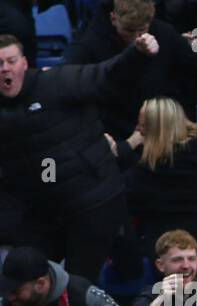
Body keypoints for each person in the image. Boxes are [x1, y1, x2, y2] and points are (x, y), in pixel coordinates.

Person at [0, 29, 159, 279]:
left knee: (78, 284)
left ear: (24, 63)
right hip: (42, 212)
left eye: (10, 61)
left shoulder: (56, 82)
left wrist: (136, 54)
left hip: (93, 201)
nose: (5, 69)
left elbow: (105, 75)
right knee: (23, 279)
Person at [117, 97, 197, 282]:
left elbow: (120, 187)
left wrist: (127, 146)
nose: (138, 131)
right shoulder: (193, 149)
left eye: (143, 126)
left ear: (158, 130)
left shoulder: (169, 163)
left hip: (196, 257)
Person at [63, 0, 197, 140]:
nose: (136, 38)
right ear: (113, 18)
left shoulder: (165, 33)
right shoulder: (91, 43)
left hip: (159, 125)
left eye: (142, 29)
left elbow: (196, 72)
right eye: (129, 30)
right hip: (114, 129)